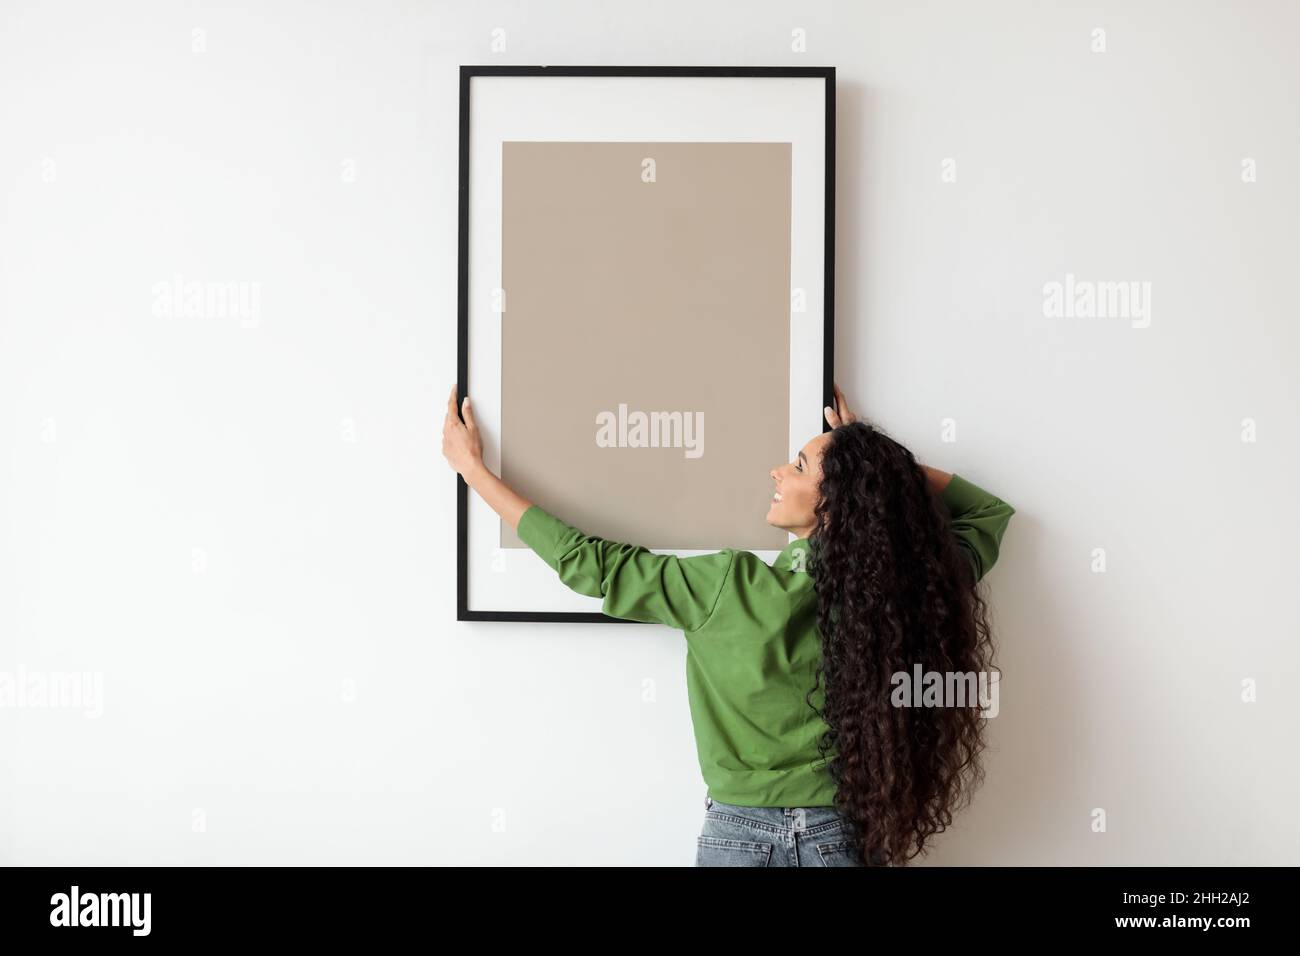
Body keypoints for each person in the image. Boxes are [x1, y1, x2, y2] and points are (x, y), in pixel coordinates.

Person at [442, 382, 1014, 866]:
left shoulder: (724, 586)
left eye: (797, 466)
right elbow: (989, 514)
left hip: (738, 839)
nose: (776, 471)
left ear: (835, 501)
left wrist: (475, 472)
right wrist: (879, 467)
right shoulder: (906, 590)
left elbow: (589, 562)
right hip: (841, 838)